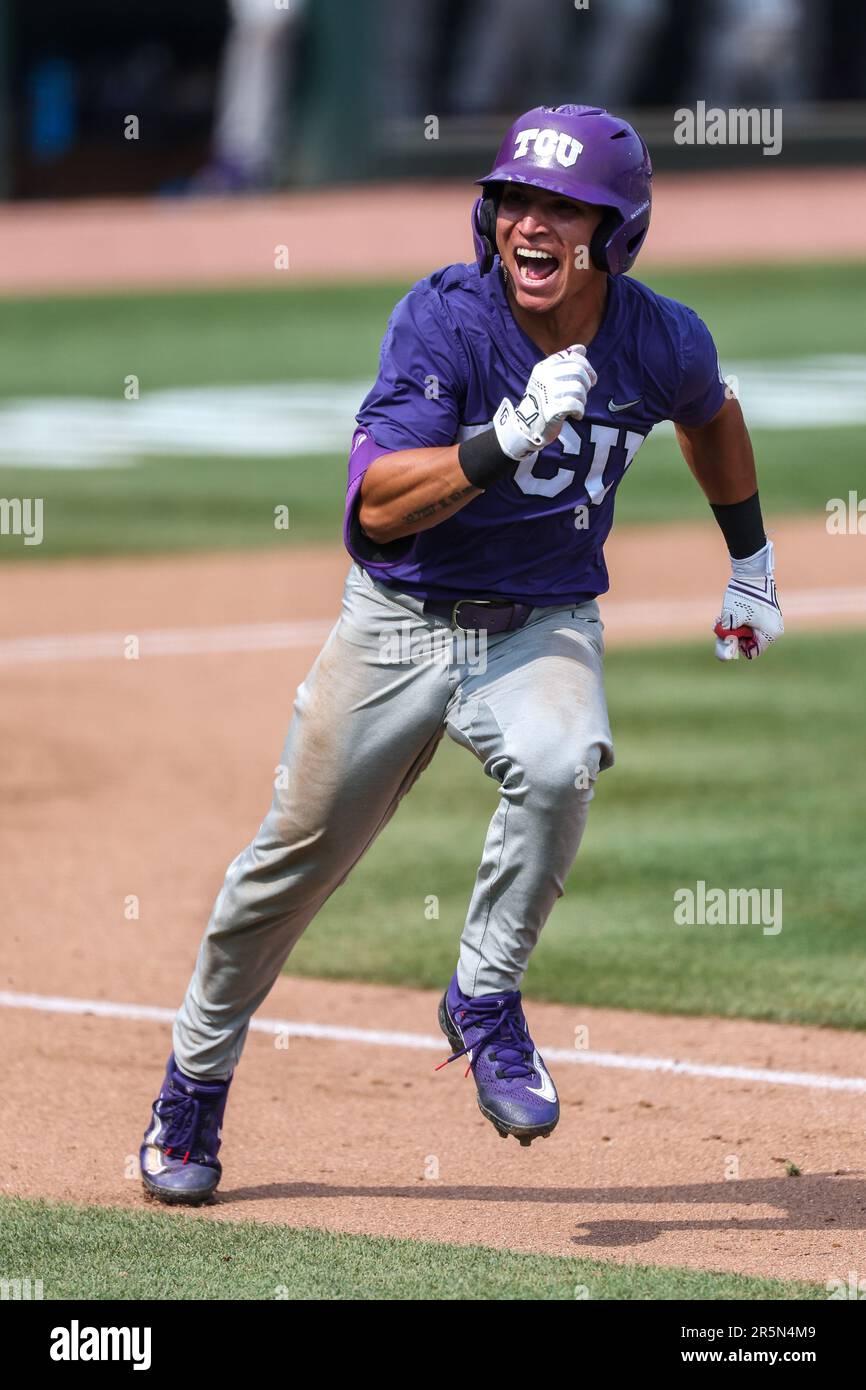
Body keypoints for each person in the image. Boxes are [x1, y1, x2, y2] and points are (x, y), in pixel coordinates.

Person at [139, 104, 784, 1204]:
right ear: (488, 214)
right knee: (285, 871)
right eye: (515, 202)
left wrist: (751, 561)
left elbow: (708, 413)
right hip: (398, 619)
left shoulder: (658, 335)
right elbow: (378, 506)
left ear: (613, 233)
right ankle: (194, 1080)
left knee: (561, 759)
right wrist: (505, 441)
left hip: (541, 623)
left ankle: (482, 998)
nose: (530, 226)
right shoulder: (442, 322)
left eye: (561, 209)